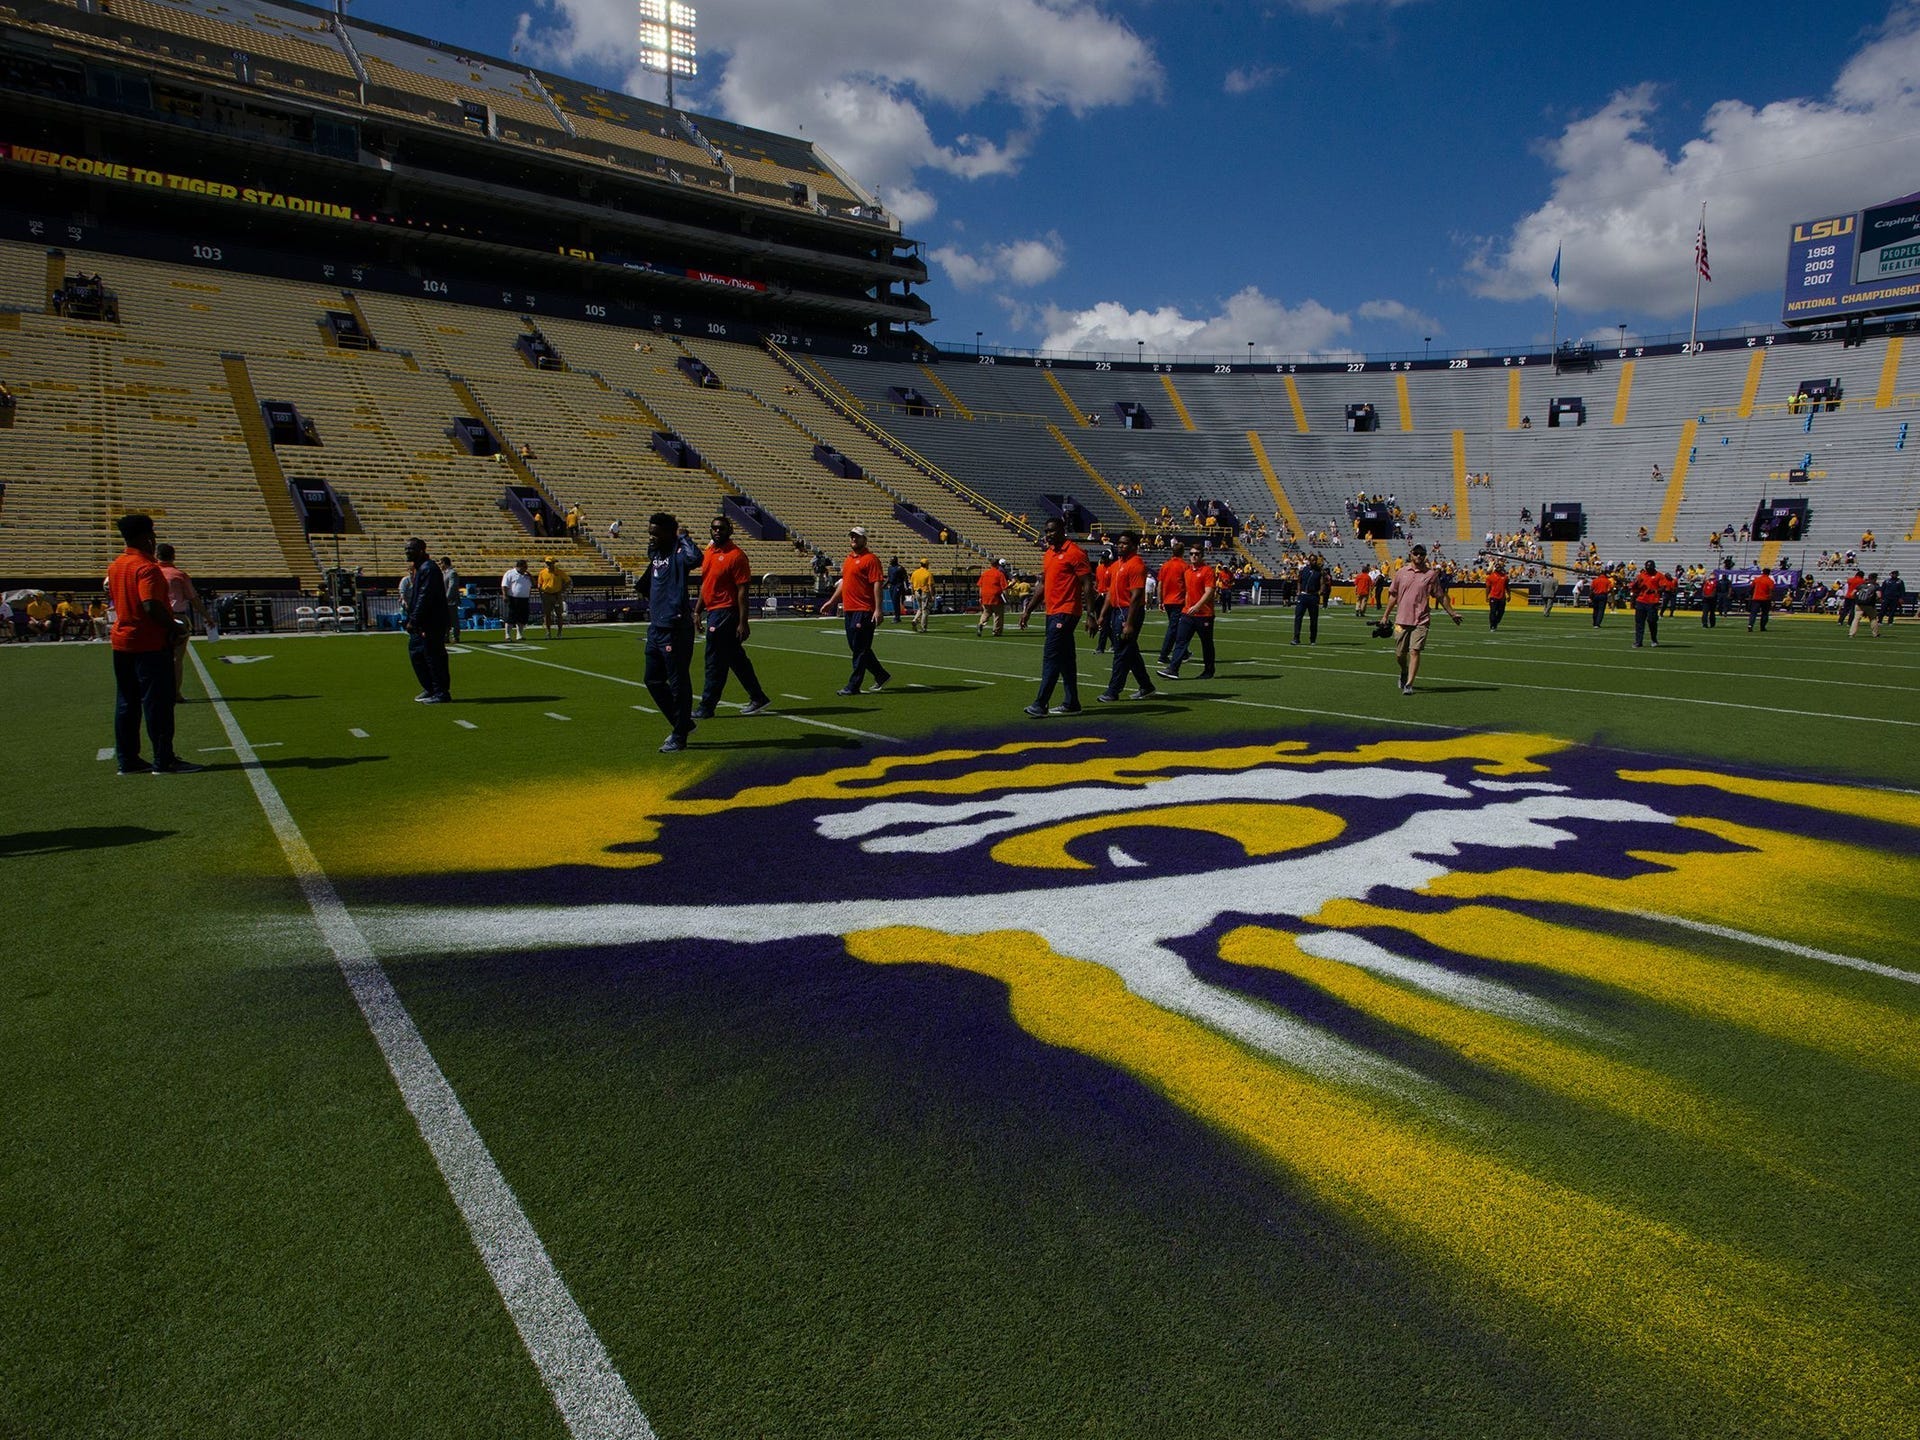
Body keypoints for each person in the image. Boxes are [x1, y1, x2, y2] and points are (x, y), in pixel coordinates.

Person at [105, 514, 201, 773]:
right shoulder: (146, 568)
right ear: (147, 537)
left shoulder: (116, 565)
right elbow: (150, 605)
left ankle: (128, 759)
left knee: (126, 702)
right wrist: (174, 627)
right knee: (157, 702)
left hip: (122, 641)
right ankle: (164, 758)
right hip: (148, 642)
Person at [692, 514, 771, 720]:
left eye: (721, 528)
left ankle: (707, 706)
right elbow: (706, 584)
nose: (717, 531)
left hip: (726, 611)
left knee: (715, 661)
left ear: (730, 531)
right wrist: (697, 610)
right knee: (736, 659)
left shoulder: (736, 556)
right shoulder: (709, 552)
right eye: (714, 528)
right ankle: (758, 697)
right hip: (714, 610)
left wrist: (743, 622)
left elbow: (742, 591)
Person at [1019, 516, 1093, 716]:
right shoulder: (1049, 554)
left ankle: (1040, 703)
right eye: (1046, 531)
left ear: (1062, 530)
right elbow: (1043, 585)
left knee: (1051, 656)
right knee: (1066, 659)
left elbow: (1087, 584)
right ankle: (1072, 702)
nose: (1048, 535)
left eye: (1052, 531)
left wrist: (1091, 614)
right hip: (1052, 611)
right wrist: (1028, 610)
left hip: (1066, 611)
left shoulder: (1075, 553)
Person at [643, 512, 703, 751]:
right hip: (656, 627)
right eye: (650, 533)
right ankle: (683, 723)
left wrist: (684, 537)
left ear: (670, 533)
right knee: (652, 679)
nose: (652, 538)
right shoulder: (656, 552)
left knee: (678, 683)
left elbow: (696, 558)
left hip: (675, 628)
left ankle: (679, 735)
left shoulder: (680, 553)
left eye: (656, 534)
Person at [1379, 543, 1462, 695]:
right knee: (1399, 654)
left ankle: (1409, 684)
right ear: (1411, 554)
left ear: (1425, 556)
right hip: (1401, 620)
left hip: (1421, 620)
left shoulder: (1430, 575)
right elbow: (1393, 595)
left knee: (1415, 651)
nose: (1419, 556)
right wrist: (1385, 615)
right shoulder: (1401, 572)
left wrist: (1452, 613)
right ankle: (1404, 671)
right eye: (1416, 553)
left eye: (1422, 554)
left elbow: (1440, 596)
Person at [822, 526, 891, 695]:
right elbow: (844, 583)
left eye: (857, 537)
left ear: (864, 540)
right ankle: (881, 675)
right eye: (852, 536)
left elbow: (877, 584)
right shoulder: (849, 559)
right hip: (850, 609)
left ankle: (854, 685)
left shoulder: (871, 559)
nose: (853, 539)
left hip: (864, 609)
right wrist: (832, 601)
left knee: (860, 648)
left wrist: (878, 609)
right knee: (857, 647)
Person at [1093, 530, 1156, 703]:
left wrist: (1129, 623)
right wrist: (1103, 615)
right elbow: (1110, 593)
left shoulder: (1136, 565)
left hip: (1129, 611)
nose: (1121, 545)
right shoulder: (1116, 565)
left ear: (1134, 546)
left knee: (1121, 651)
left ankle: (1113, 690)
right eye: (1119, 542)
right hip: (1117, 611)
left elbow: (1136, 596)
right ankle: (1146, 685)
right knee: (1130, 651)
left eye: (1125, 543)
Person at [154, 543, 212, 701]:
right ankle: (175, 692)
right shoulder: (179, 575)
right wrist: (207, 616)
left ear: (157, 555)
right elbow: (194, 598)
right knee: (176, 659)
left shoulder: (151, 572)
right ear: (173, 556)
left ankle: (155, 690)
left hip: (155, 617)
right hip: (177, 617)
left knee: (154, 656)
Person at [402, 537, 452, 704]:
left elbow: (425, 597)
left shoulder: (428, 569)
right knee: (417, 653)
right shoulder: (420, 568)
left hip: (431, 621)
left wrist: (414, 619)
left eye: (411, 549)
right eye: (406, 549)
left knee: (433, 656)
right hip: (423, 621)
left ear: (421, 550)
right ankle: (430, 688)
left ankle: (441, 692)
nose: (407, 552)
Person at [1159, 550, 1217, 679]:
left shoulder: (1207, 571)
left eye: (1196, 554)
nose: (1194, 556)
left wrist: (1197, 606)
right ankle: (1173, 669)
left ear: (1202, 556)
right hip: (1187, 612)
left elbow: (1209, 591)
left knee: (1206, 643)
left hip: (1204, 614)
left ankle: (1209, 670)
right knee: (1180, 641)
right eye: (1191, 554)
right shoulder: (1187, 572)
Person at [1156, 540, 1189, 664]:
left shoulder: (1165, 565)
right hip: (1179, 601)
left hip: (1168, 600)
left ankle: (1184, 652)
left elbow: (1160, 584)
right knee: (1174, 628)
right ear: (1182, 552)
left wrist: (1160, 601)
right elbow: (1187, 584)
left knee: (1177, 627)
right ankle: (1164, 654)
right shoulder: (1184, 566)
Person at [1630, 559, 1664, 648]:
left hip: (1652, 601)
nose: (1648, 569)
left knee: (1652, 621)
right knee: (1639, 622)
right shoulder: (1641, 575)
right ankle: (1638, 641)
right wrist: (1635, 585)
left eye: (1650, 568)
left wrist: (1655, 590)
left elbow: (1663, 587)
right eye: (1647, 568)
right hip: (1641, 600)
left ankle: (1654, 639)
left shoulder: (1659, 575)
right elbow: (1635, 588)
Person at [535, 556, 571, 637]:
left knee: (559, 614)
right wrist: (541, 592)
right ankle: (548, 632)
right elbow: (539, 584)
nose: (548, 565)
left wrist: (562, 589)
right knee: (547, 614)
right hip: (546, 595)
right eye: (547, 563)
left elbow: (568, 581)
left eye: (550, 563)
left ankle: (559, 632)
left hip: (557, 595)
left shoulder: (559, 572)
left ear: (554, 563)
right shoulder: (542, 572)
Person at [499, 558, 534, 640]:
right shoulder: (510, 573)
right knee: (511, 617)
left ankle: (519, 635)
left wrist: (530, 576)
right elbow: (504, 585)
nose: (526, 569)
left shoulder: (526, 575)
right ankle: (507, 635)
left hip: (524, 599)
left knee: (522, 618)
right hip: (513, 598)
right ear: (519, 567)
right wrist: (505, 595)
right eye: (524, 567)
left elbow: (533, 583)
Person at [1293, 552, 1323, 644]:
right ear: (1309, 561)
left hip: (1313, 596)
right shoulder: (1304, 570)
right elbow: (1299, 581)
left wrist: (1320, 591)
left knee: (1313, 619)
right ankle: (1296, 638)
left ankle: (1313, 639)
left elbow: (1322, 583)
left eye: (1315, 560)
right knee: (1298, 617)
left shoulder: (1319, 571)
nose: (1313, 562)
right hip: (1303, 595)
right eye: (1312, 560)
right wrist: (1298, 591)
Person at [976, 558, 1009, 636]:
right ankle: (996, 631)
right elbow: (1004, 587)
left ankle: (981, 623)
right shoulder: (999, 574)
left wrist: (980, 596)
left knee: (986, 613)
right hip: (996, 597)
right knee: (998, 614)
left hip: (985, 596)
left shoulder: (985, 573)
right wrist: (1006, 597)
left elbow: (980, 586)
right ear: (998, 565)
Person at [439, 556, 462, 643]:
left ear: (444, 563)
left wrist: (446, 598)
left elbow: (452, 587)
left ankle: (455, 636)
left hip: (451, 601)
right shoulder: (444, 573)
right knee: (445, 619)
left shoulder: (452, 573)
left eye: (441, 563)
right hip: (444, 601)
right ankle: (446, 636)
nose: (440, 565)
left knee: (453, 620)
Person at [910, 557, 935, 632]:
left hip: (917, 591)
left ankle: (915, 620)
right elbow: (930, 586)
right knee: (925, 610)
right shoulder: (928, 573)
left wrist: (913, 594)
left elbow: (911, 584)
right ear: (927, 565)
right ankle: (923, 627)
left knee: (920, 608)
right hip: (925, 592)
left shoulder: (915, 573)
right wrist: (932, 595)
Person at [1747, 567, 1775, 632]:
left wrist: (1751, 596)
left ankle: (1750, 625)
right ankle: (1762, 627)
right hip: (1765, 599)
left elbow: (1751, 588)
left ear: (1762, 572)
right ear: (1769, 573)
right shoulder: (1770, 581)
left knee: (1753, 613)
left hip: (1756, 598)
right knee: (1765, 613)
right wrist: (1771, 599)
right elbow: (1771, 591)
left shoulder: (1756, 579)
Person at [1484, 561, 1509, 631]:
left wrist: (1509, 595)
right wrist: (1486, 596)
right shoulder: (1490, 577)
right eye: (1497, 568)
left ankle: (1496, 622)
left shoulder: (1505, 577)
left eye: (1499, 568)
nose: (1499, 569)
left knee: (1501, 611)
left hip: (1502, 597)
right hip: (1493, 596)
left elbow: (1507, 586)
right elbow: (1488, 587)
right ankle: (1492, 625)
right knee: (1493, 611)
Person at [885, 555, 908, 625]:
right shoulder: (889, 568)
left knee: (896, 601)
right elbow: (889, 578)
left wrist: (905, 587)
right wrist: (884, 585)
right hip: (892, 585)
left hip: (898, 585)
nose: (890, 561)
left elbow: (905, 577)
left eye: (892, 560)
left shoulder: (900, 568)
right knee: (894, 601)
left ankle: (897, 617)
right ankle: (897, 616)